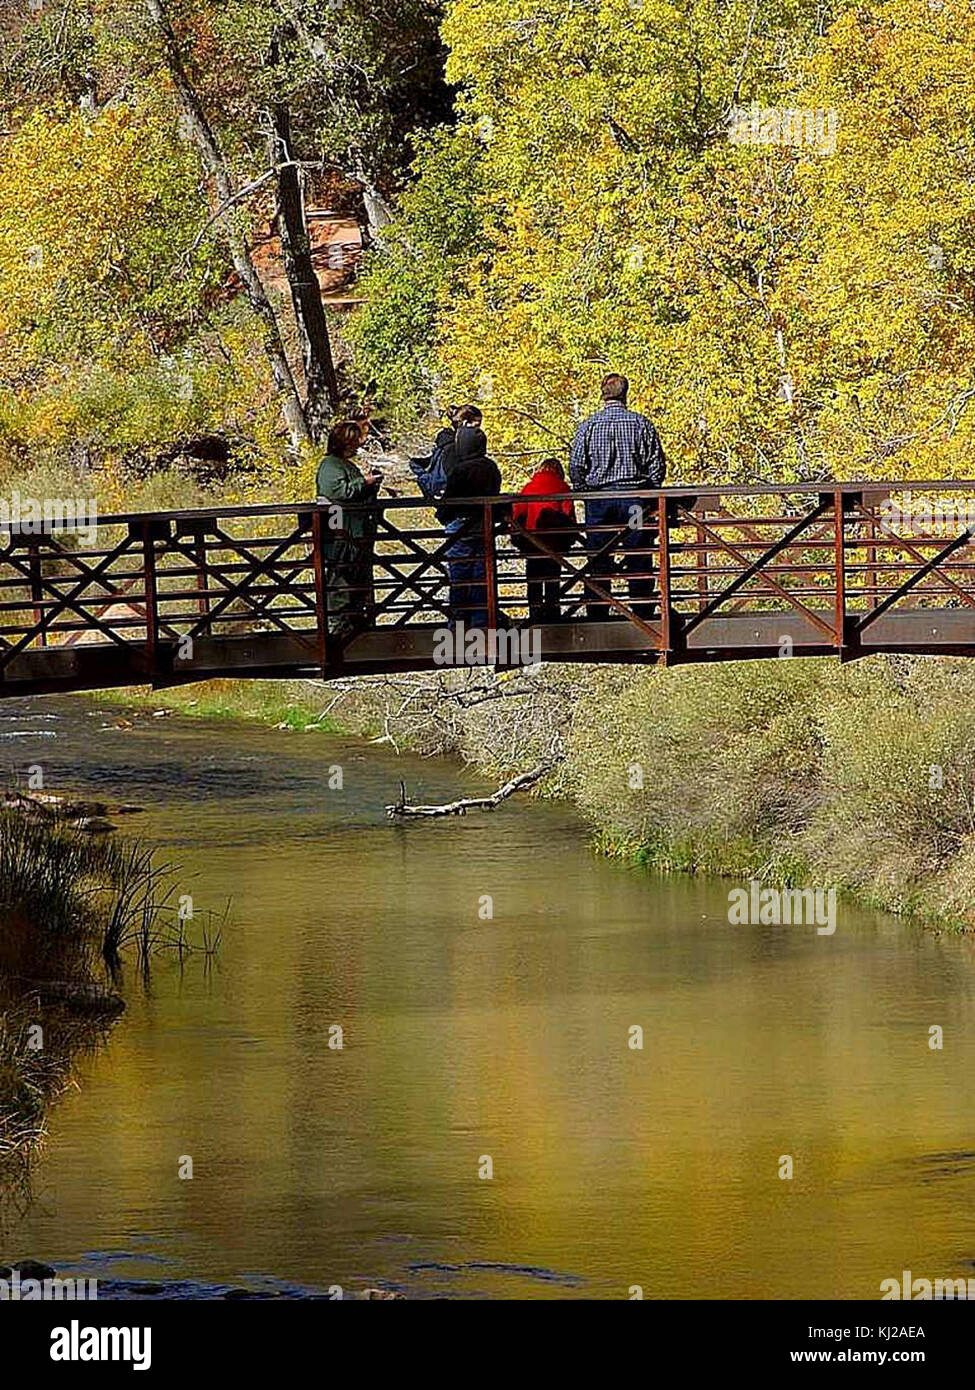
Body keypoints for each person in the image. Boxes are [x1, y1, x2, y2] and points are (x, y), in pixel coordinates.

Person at [568, 372, 666, 620]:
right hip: (634, 500)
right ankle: (642, 609)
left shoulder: (589, 426)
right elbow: (657, 464)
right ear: (625, 393)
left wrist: (583, 490)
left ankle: (598, 609)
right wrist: (649, 491)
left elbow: (576, 465)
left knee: (598, 556)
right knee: (638, 553)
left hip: (600, 501)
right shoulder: (640, 424)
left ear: (603, 394)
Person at [315, 420, 382, 640]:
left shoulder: (342, 464)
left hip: (354, 534)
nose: (357, 445)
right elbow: (339, 492)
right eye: (354, 441)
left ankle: (357, 624)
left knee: (357, 580)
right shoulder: (331, 466)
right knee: (341, 581)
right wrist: (365, 482)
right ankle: (338, 628)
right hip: (341, 534)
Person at [436, 425, 502, 629]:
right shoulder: (490, 467)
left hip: (461, 528)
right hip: (484, 526)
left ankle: (458, 621)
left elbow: (451, 499)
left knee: (459, 575)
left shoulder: (460, 470)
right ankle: (482, 620)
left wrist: (442, 515)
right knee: (482, 575)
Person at [511, 458, 578, 622]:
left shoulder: (528, 488)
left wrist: (519, 540)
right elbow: (570, 518)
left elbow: (517, 516)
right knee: (552, 582)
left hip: (532, 543)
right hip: (554, 545)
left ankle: (534, 616)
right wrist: (569, 540)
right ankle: (553, 616)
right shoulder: (563, 488)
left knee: (533, 582)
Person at [409, 404, 483, 502]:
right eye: (476, 426)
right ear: (465, 423)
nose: (478, 430)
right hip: (454, 505)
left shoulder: (445, 444)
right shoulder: (453, 449)